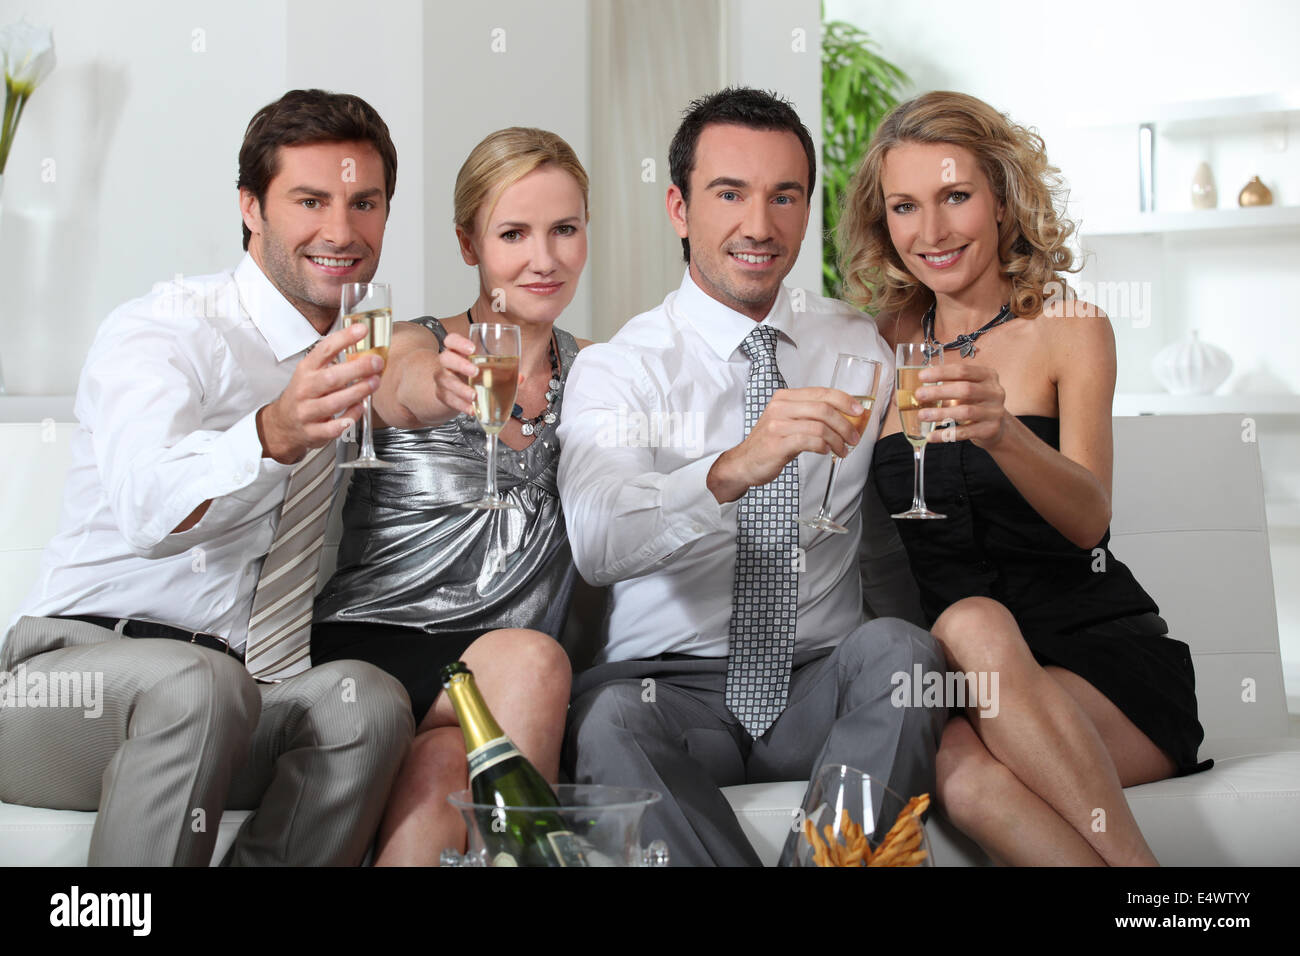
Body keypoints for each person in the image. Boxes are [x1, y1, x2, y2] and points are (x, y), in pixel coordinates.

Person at [0, 89, 414, 866]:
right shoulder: (165, 329)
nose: (342, 230)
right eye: (310, 200)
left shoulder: (366, 354)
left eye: (366, 203)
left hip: (241, 693)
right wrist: (270, 433)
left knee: (368, 702)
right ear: (251, 207)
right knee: (197, 685)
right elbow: (146, 507)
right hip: (64, 684)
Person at [557, 87, 948, 867]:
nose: (759, 227)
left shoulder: (860, 346)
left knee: (905, 656)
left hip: (817, 685)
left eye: (784, 197)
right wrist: (735, 467)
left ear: (807, 209)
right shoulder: (621, 369)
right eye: (728, 194)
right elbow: (599, 541)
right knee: (606, 721)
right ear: (679, 207)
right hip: (664, 694)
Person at [839, 90, 1210, 866]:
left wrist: (1005, 433)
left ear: (1003, 201)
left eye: (956, 197)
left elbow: (1090, 520)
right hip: (974, 685)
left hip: (1103, 666)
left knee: (971, 620)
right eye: (905, 207)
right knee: (962, 781)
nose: (931, 232)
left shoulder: (1069, 328)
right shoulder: (881, 342)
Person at [312, 127, 590, 866]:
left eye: (564, 229)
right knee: (534, 663)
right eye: (514, 233)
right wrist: (438, 388)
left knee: (439, 778)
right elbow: (402, 390)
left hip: (483, 685)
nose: (545, 258)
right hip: (383, 645)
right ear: (469, 244)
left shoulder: (602, 372)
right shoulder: (410, 342)